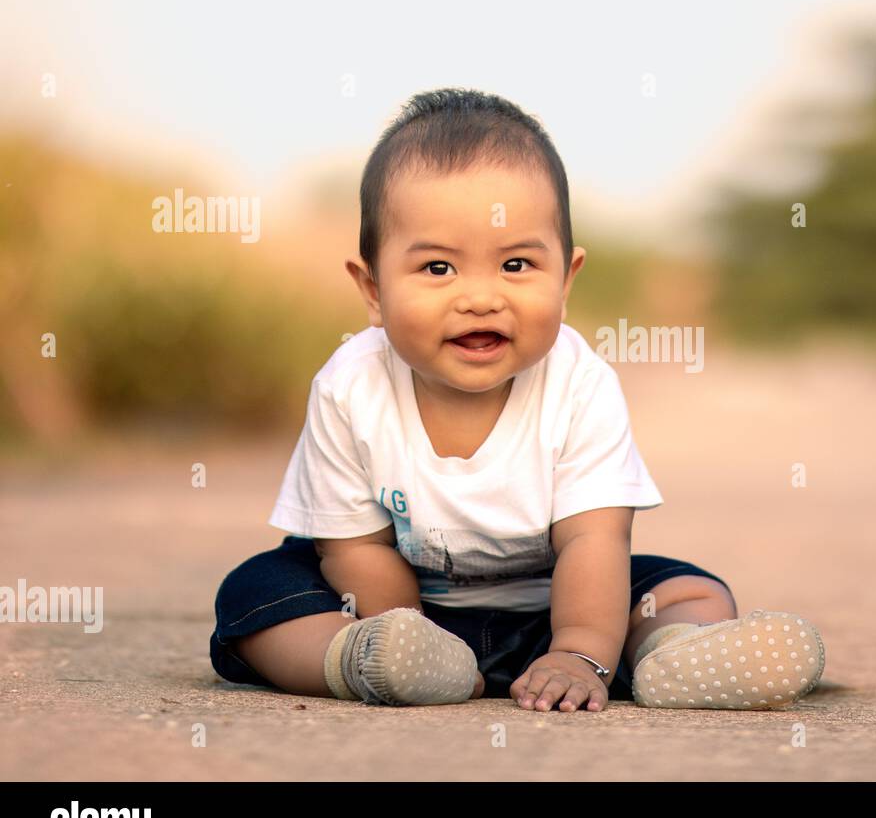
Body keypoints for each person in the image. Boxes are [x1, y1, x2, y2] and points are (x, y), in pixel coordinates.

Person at [208, 88, 825, 712]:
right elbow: (357, 547)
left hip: (556, 611)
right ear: (372, 289)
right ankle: (364, 659)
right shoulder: (351, 385)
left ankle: (674, 653)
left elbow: (593, 540)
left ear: (567, 278)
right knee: (256, 594)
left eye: (517, 264)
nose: (481, 297)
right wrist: (406, 632)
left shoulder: (578, 383)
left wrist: (580, 652)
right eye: (438, 269)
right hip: (392, 613)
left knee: (688, 588)